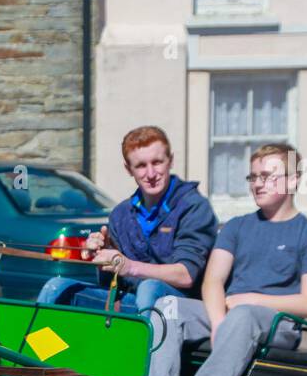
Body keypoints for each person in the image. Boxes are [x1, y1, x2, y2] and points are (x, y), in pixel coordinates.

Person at [154, 143, 307, 376]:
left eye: (268, 175)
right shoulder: (236, 227)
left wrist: (249, 301)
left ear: (293, 180)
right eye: (253, 177)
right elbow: (212, 281)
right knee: (168, 305)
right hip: (231, 317)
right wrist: (218, 319)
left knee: (244, 315)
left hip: (277, 323)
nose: (258, 183)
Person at [37, 125, 217, 313]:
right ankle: (31, 342)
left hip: (184, 309)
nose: (151, 174)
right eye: (140, 166)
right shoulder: (120, 215)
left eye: (157, 162)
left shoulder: (193, 207)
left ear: (170, 161)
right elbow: (111, 286)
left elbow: (187, 275)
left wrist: (129, 266)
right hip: (137, 304)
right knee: (57, 288)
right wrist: (104, 255)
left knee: (150, 287)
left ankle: (142, 342)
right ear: (128, 169)